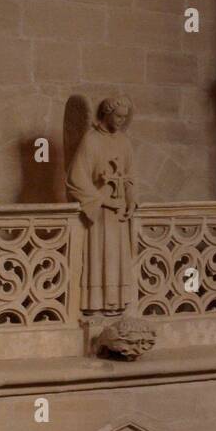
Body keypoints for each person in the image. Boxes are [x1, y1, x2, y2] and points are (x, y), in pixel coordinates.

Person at [66, 96, 137, 314]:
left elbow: (129, 176)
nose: (120, 121)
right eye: (117, 116)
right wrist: (104, 200)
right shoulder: (91, 140)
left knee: (118, 260)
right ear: (106, 113)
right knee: (98, 260)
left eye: (124, 118)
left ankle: (116, 306)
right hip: (99, 215)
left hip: (119, 215)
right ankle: (95, 307)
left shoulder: (124, 142)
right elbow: (75, 179)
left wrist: (131, 199)